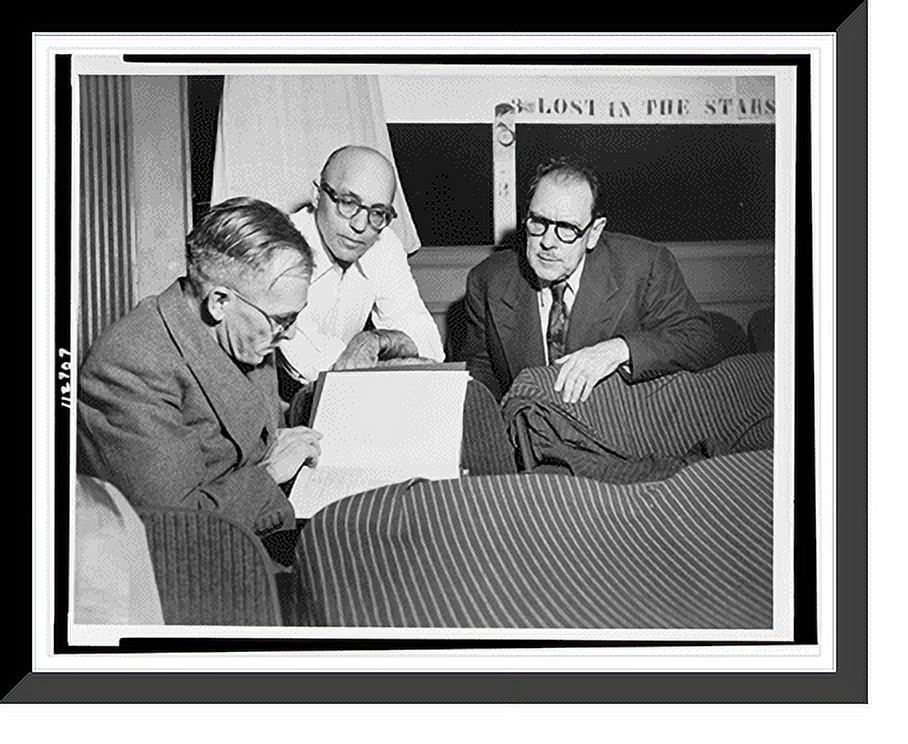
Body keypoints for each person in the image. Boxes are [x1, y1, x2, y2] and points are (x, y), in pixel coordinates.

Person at [77, 197, 321, 535]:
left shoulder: (247, 326)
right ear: (219, 301)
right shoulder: (128, 367)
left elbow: (258, 427)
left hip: (264, 525)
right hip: (204, 564)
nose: (290, 333)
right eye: (283, 320)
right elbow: (176, 527)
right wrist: (268, 474)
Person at [462, 157, 723, 403]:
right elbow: (481, 373)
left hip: (616, 430)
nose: (547, 242)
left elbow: (701, 342)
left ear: (594, 232)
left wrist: (618, 350)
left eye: (567, 228)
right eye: (538, 221)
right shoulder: (487, 280)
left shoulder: (645, 265)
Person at [277, 145, 444, 397]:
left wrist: (376, 340)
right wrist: (399, 362)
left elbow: (428, 345)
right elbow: (309, 364)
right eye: (347, 202)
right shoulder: (280, 246)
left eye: (377, 212)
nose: (360, 225)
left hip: (351, 397)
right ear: (316, 195)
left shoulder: (383, 243)